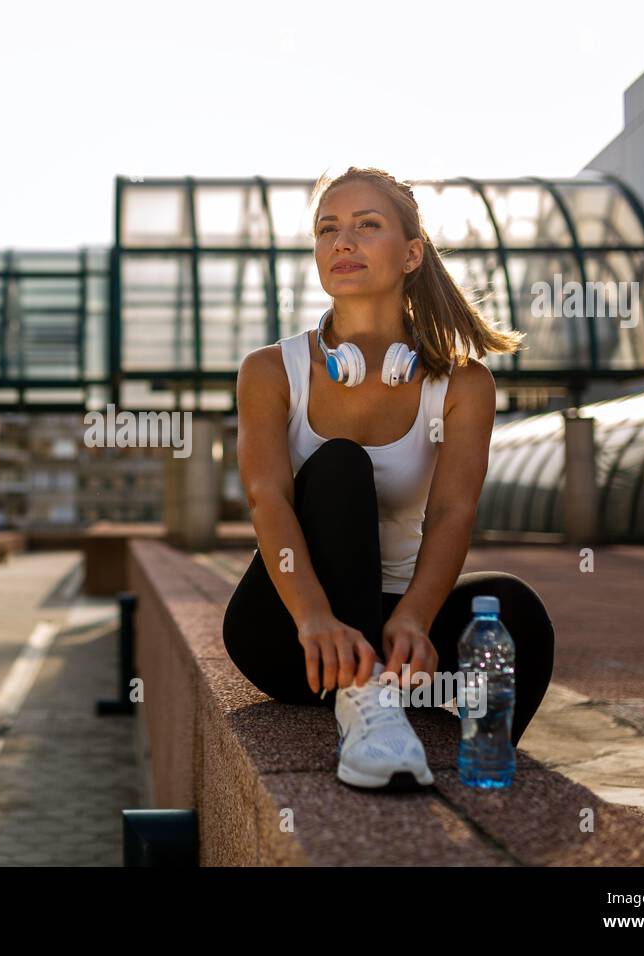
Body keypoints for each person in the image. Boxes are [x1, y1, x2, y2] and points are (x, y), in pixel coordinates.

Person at [222, 167, 556, 791]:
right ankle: (363, 701)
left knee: (514, 609)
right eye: (328, 230)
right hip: (294, 633)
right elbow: (266, 496)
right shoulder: (271, 370)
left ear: (410, 254)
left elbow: (453, 514)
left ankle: (476, 783)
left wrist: (417, 617)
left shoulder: (462, 383)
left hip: (401, 631)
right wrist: (316, 616)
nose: (341, 242)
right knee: (341, 464)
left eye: (365, 226)